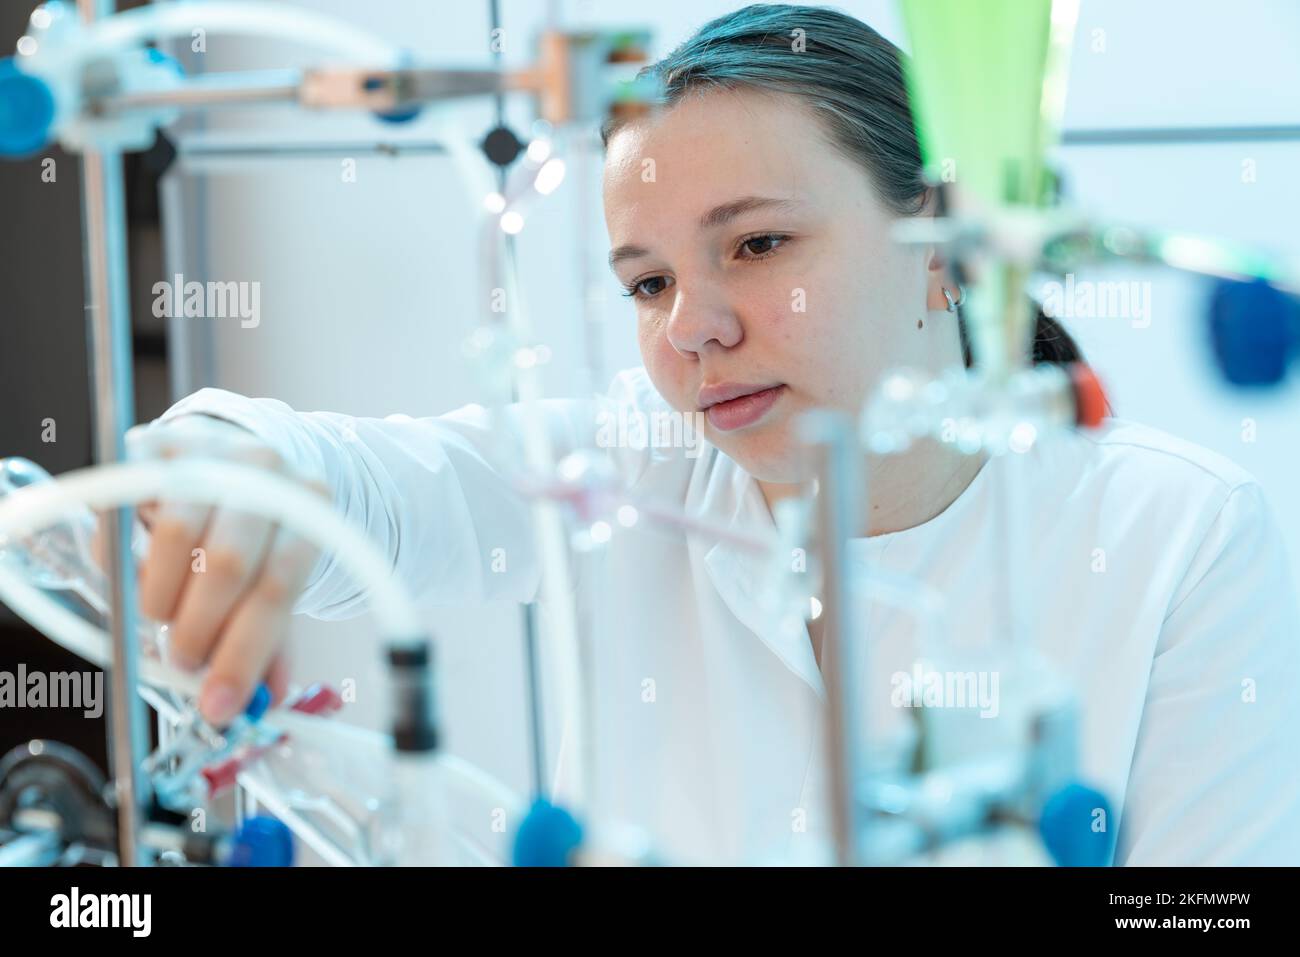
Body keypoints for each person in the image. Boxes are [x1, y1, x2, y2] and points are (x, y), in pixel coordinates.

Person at [127, 4, 1299, 864]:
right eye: (645, 283)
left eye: (756, 245)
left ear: (941, 246)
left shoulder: (1175, 534)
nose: (693, 327)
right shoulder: (629, 469)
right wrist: (237, 466)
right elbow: (377, 492)